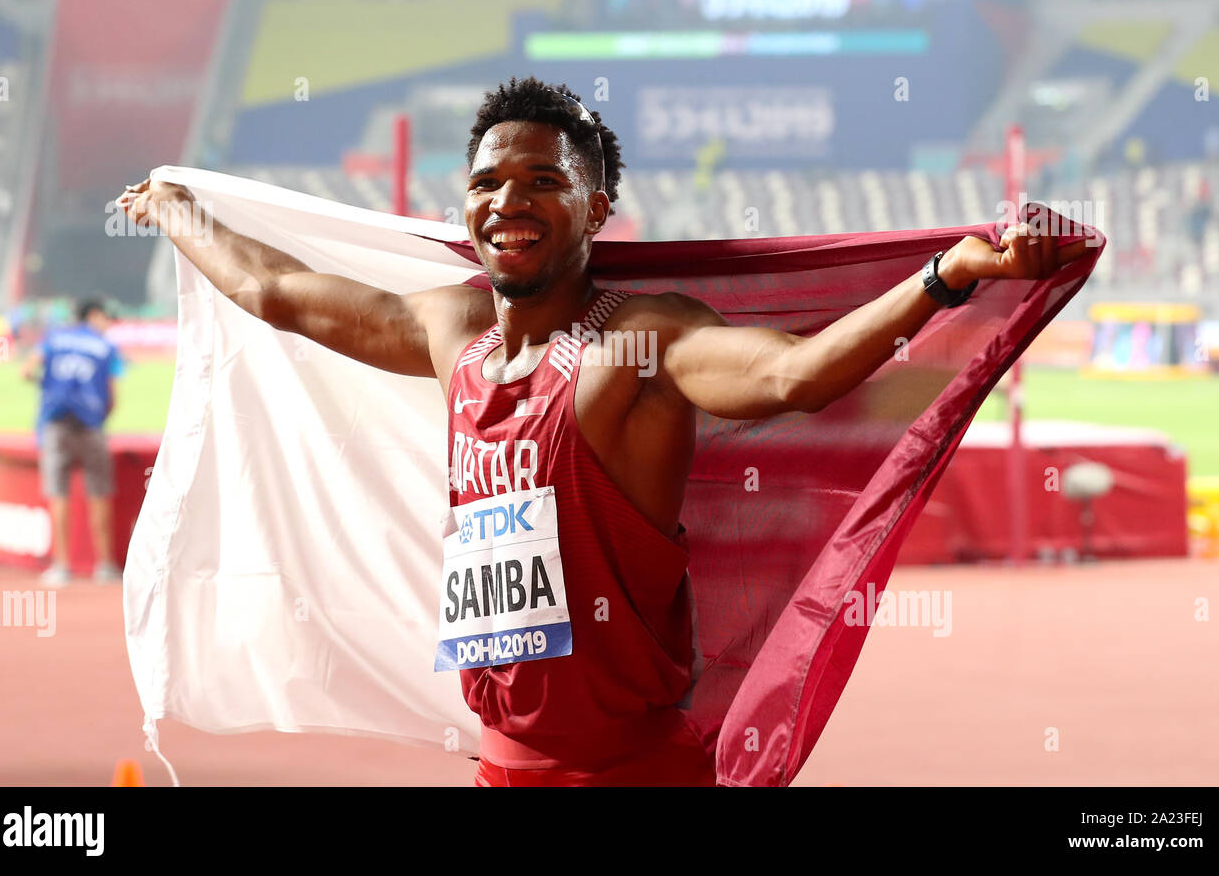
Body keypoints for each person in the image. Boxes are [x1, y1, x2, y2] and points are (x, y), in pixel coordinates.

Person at [118, 76, 1091, 786]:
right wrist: (175, 210)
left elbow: (792, 376)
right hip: (500, 767)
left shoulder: (640, 344)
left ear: (595, 208)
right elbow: (277, 291)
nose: (508, 201)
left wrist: (945, 278)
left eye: (542, 180)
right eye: (488, 182)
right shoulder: (450, 330)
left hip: (633, 774)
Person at [20, 297, 124, 586]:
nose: (108, 325)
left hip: (56, 423)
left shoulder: (53, 338)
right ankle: (105, 565)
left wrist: (48, 388)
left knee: (58, 494)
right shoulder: (106, 347)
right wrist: (100, 416)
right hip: (91, 426)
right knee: (99, 492)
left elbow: (26, 371)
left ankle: (61, 566)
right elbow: (112, 395)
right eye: (106, 318)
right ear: (93, 315)